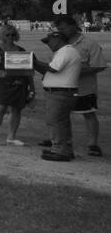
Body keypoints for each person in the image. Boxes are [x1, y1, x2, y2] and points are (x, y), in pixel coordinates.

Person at [55, 13, 105, 156]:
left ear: (73, 26)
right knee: (61, 115)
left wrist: (77, 71)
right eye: (59, 29)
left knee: (89, 114)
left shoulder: (89, 43)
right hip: (63, 87)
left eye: (63, 29)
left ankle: (93, 144)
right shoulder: (60, 43)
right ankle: (62, 140)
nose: (61, 32)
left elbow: (99, 66)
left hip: (84, 88)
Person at [32, 27, 82, 162]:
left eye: (49, 41)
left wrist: (33, 61)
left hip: (60, 93)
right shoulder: (65, 51)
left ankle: (59, 150)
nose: (48, 45)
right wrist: (34, 64)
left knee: (55, 121)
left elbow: (52, 69)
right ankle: (65, 149)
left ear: (58, 39)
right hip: (63, 92)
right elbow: (47, 70)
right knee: (62, 122)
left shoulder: (65, 51)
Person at [0, 23, 34, 146]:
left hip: (19, 85)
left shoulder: (21, 50)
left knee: (16, 110)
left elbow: (27, 72)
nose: (10, 37)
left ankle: (11, 137)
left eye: (13, 34)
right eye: (7, 34)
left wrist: (31, 88)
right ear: (2, 35)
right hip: (1, 84)